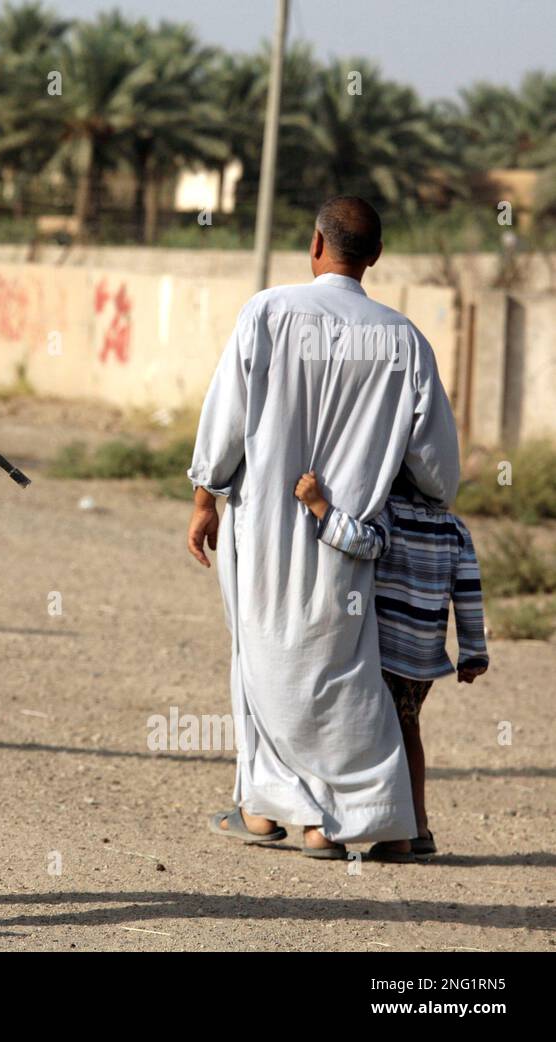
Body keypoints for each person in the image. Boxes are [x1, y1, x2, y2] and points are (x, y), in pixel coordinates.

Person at [187, 196, 460, 860]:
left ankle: (277, 813)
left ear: (315, 244)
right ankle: (348, 814)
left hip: (263, 532)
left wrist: (203, 499)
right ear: (376, 257)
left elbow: (226, 419)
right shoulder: (404, 339)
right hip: (350, 540)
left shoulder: (269, 313)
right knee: (339, 671)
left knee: (260, 659)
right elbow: (437, 469)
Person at [294, 468, 488, 860]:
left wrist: (320, 508)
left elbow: (363, 545)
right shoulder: (454, 527)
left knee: (359, 733)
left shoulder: (389, 513)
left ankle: (334, 829)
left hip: (382, 652)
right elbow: (468, 590)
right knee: (408, 732)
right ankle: (414, 828)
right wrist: (472, 652)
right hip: (423, 659)